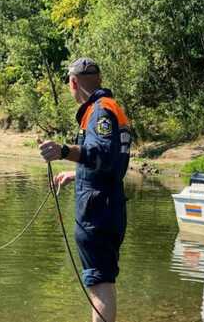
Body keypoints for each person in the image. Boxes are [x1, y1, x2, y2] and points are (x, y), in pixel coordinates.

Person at [39, 57, 131, 322]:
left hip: (98, 210)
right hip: (108, 203)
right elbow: (109, 162)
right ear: (99, 79)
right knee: (101, 279)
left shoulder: (100, 111)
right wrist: (76, 173)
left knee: (99, 283)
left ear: (73, 82)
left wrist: (64, 151)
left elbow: (101, 152)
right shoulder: (110, 107)